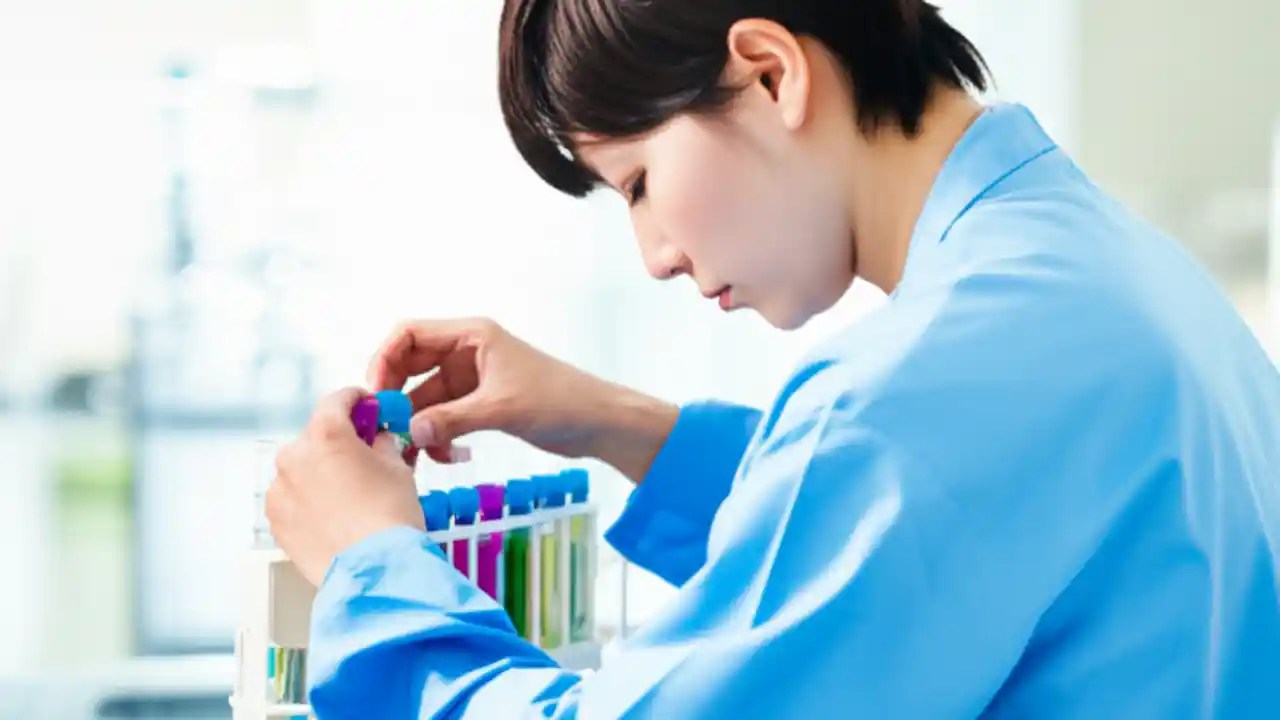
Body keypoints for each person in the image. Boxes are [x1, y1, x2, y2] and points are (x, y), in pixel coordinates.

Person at [265, 1, 1280, 717]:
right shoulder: (1104, 270)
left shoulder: (910, 397)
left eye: (637, 183)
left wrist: (372, 568)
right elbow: (937, 545)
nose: (655, 255)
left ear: (769, 72)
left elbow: (885, 486)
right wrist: (610, 420)